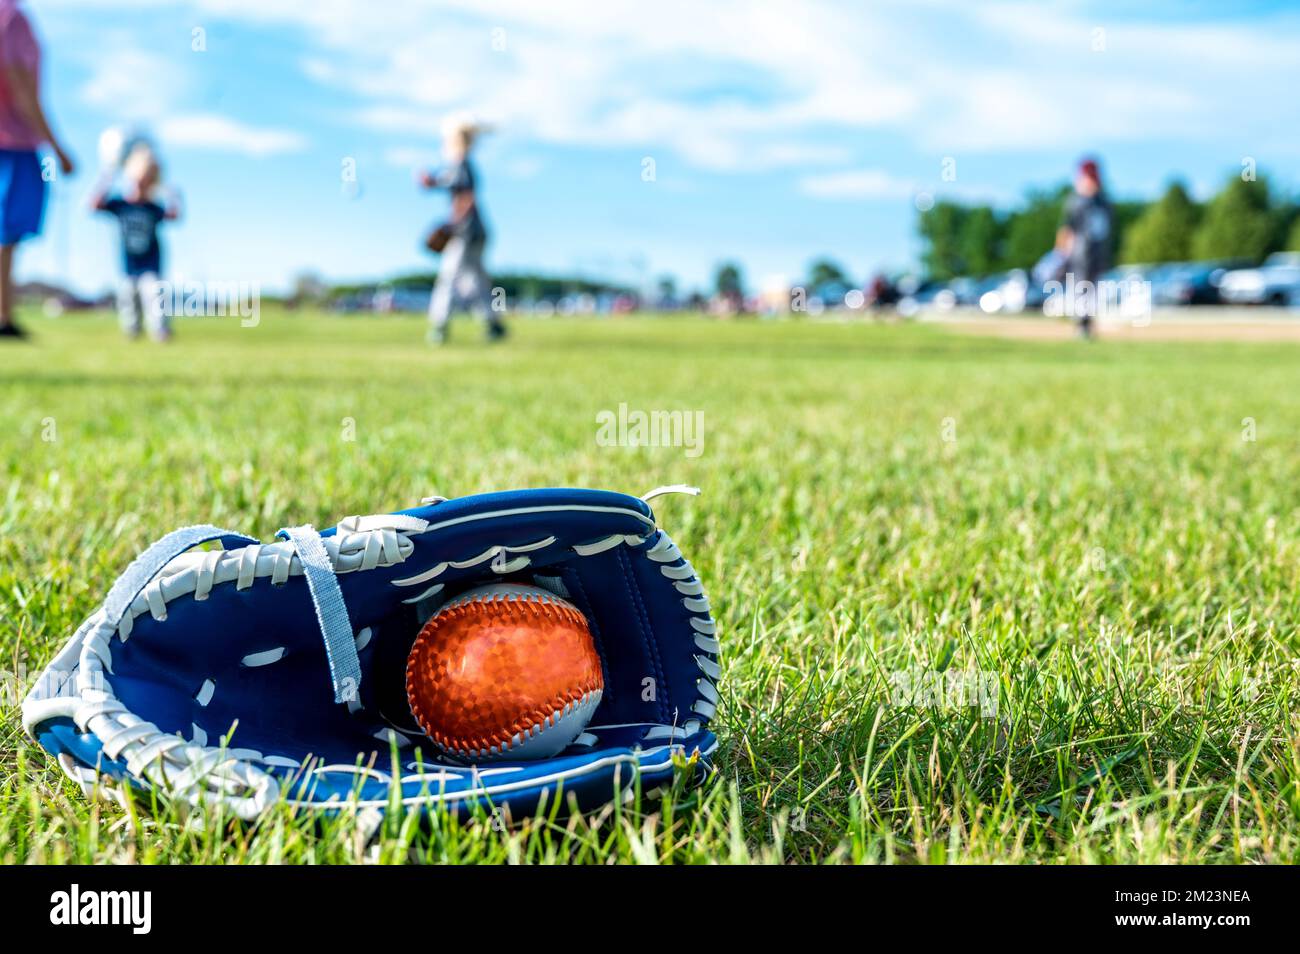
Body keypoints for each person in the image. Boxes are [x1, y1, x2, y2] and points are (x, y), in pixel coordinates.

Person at [0, 0, 74, 340]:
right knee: (6, 235)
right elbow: (23, 94)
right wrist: (58, 150)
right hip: (11, 144)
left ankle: (5, 315)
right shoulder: (11, 17)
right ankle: (3, 317)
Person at [418, 114, 503, 344]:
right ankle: (494, 324)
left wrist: (451, 225)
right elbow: (447, 183)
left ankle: (439, 326)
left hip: (465, 233)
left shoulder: (461, 164)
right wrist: (431, 182)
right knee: (477, 281)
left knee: (448, 278)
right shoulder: (460, 166)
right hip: (477, 231)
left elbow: (467, 197)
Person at [90, 142, 180, 341]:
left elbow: (174, 216)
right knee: (128, 299)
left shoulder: (153, 207)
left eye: (146, 181)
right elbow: (94, 205)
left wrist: (173, 195)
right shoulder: (120, 204)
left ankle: (160, 331)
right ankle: (133, 331)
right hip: (128, 263)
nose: (140, 185)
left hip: (151, 262)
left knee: (154, 294)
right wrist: (106, 178)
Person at [1056, 157, 1113, 339]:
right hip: (1080, 254)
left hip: (1097, 252)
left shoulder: (1103, 202)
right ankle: (1081, 324)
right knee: (1080, 288)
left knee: (1093, 290)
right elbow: (1067, 228)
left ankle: (1087, 323)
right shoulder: (1076, 202)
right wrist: (1062, 251)